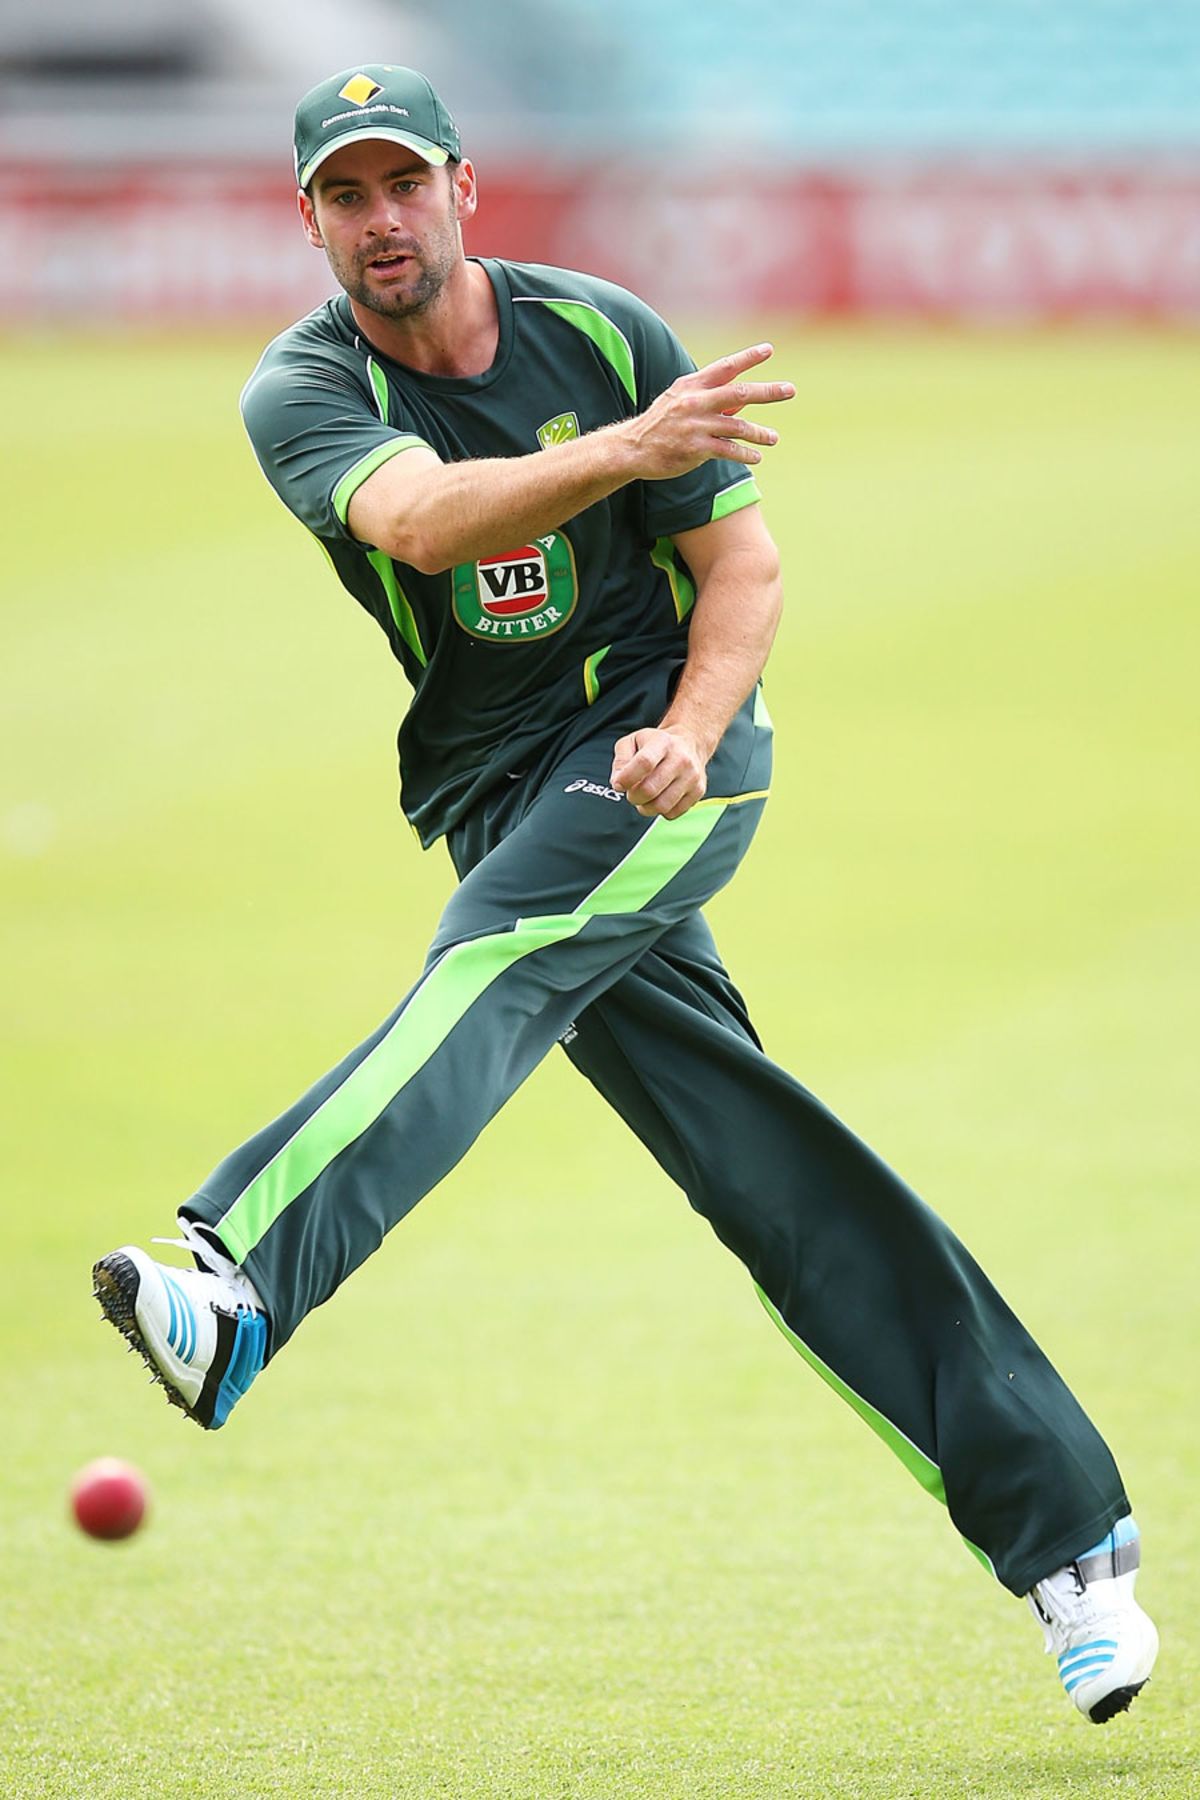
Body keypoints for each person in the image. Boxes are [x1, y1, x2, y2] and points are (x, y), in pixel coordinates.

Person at [93, 64, 1157, 1724]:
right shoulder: (298, 390)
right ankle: (1072, 1543)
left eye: (405, 185)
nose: (384, 221)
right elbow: (428, 523)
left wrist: (689, 728)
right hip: (494, 786)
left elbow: (744, 562)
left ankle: (236, 1284)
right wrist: (627, 453)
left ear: (464, 189)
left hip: (666, 749)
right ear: (307, 218)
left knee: (489, 962)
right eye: (346, 196)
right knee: (758, 1161)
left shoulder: (599, 333)